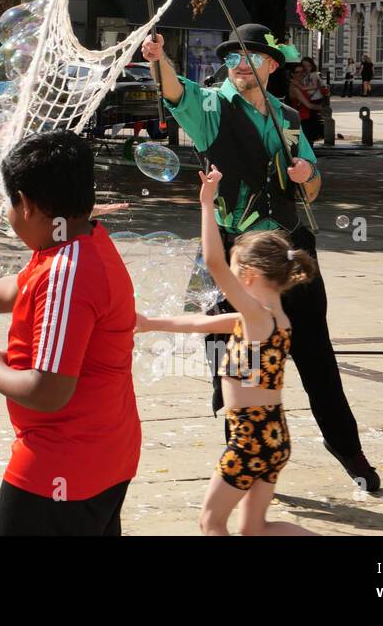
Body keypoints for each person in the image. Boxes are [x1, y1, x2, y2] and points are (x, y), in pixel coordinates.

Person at [142, 23, 380, 492]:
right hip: (240, 254)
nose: (237, 65)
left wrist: (307, 173)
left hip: (291, 247)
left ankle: (347, 449)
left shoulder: (288, 116)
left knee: (317, 355)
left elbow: (312, 187)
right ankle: (242, 455)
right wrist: (158, 59)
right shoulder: (212, 107)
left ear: (271, 65)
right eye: (230, 58)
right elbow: (176, 91)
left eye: (248, 56)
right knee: (235, 360)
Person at [0, 131, 141, 536]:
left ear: (25, 204)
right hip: (106, 453)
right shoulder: (81, 242)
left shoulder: (66, 273)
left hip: (60, 466)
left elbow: (49, 391)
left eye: (10, 202)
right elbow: (22, 284)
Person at [138, 168, 316, 535]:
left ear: (248, 275)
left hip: (250, 437)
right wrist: (150, 322)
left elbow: (215, 263)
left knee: (211, 521)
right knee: (254, 529)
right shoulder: (270, 318)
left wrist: (207, 204)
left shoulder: (255, 315)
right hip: (273, 435)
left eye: (235, 274)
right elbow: (201, 324)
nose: (227, 282)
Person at [288, 62, 324, 145]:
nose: (301, 74)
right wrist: (321, 107)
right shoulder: (294, 87)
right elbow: (308, 105)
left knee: (308, 144)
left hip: (306, 118)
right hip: (301, 120)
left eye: (302, 71)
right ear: (292, 74)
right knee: (305, 146)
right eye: (297, 72)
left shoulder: (302, 84)